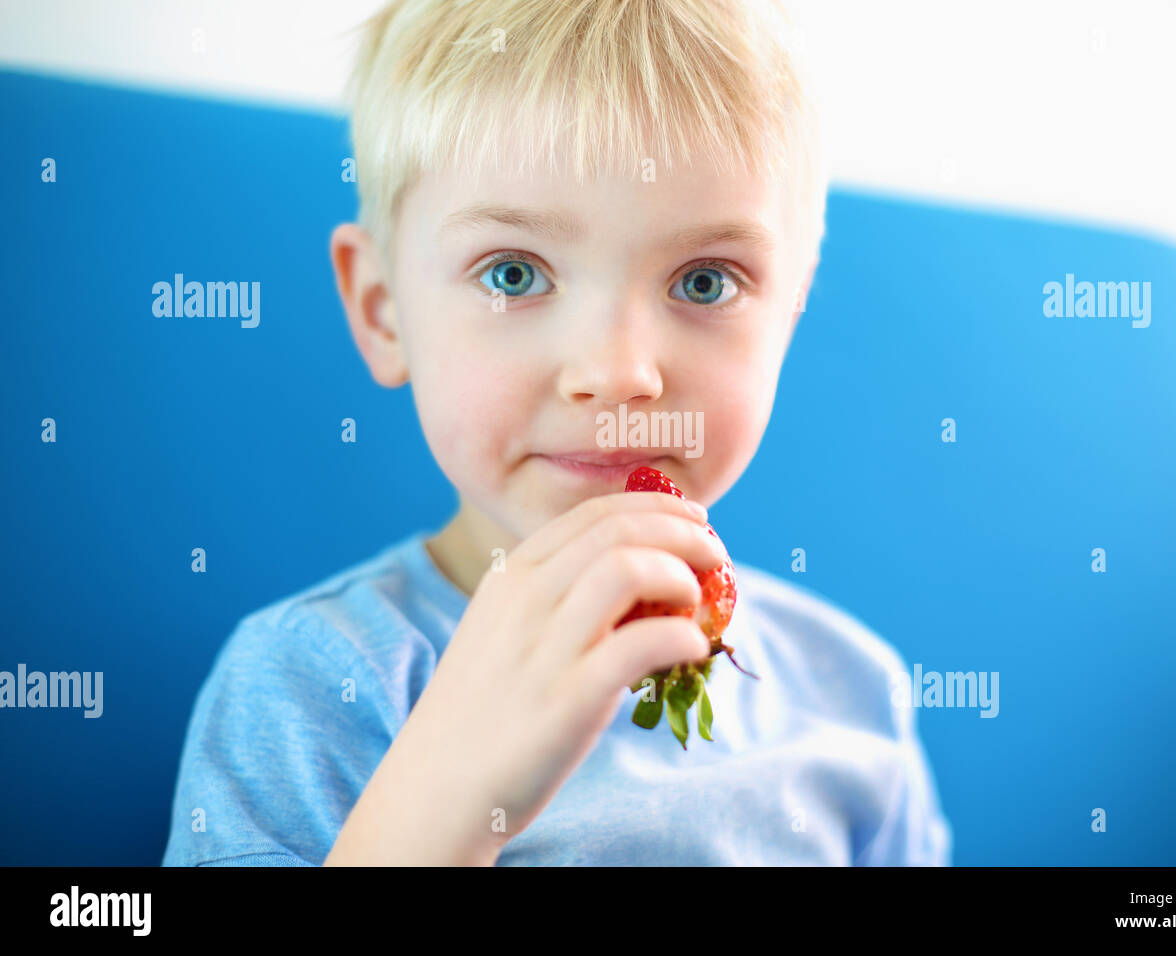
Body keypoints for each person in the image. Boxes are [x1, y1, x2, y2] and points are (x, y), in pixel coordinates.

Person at [162, 0, 952, 866]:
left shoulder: (852, 694)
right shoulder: (309, 685)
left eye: (704, 283)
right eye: (514, 272)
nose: (618, 372)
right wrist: (442, 803)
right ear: (383, 313)